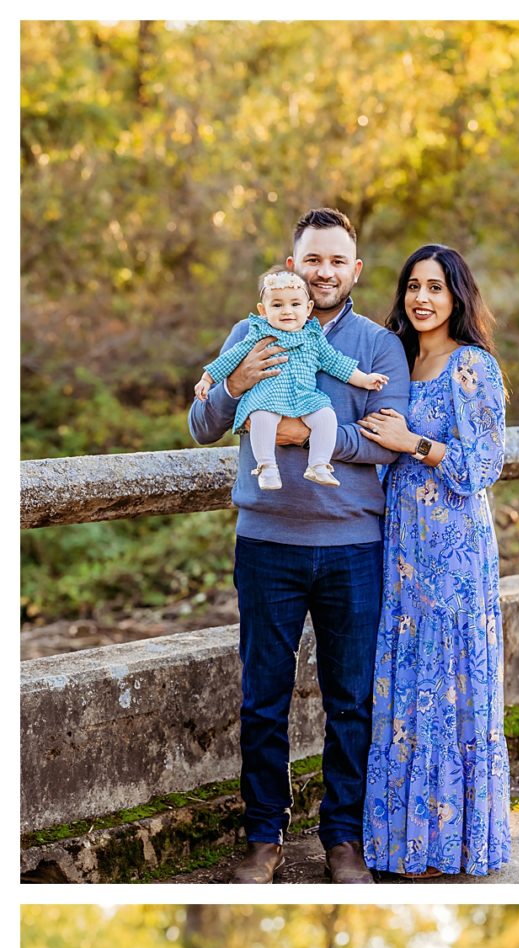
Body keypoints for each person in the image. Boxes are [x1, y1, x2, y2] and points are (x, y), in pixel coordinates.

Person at [188, 207, 411, 883]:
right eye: (311, 259)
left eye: (336, 260)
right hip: (267, 543)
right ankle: (264, 836)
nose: (323, 271)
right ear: (292, 266)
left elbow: (388, 438)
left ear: (355, 270)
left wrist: (308, 438)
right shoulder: (251, 332)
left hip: (353, 546)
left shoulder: (376, 347)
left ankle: (343, 838)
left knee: (350, 699)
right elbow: (202, 424)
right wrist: (236, 385)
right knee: (263, 695)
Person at [356, 245, 512, 877]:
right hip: (401, 555)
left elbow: (483, 466)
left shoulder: (471, 367)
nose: (422, 299)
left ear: (458, 299)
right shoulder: (397, 361)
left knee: (448, 685)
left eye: (437, 289)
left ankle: (453, 843)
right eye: (414, 287)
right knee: (404, 683)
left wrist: (412, 443)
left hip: (453, 555)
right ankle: (403, 846)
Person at [195, 268, 390, 490]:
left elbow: (336, 363)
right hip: (268, 396)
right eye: (277, 305)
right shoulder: (259, 334)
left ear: (308, 309)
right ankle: (266, 467)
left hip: (304, 397)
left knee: (326, 417)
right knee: (262, 418)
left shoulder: (313, 338)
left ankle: (318, 464)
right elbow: (231, 358)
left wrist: (365, 380)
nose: (287, 311)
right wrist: (207, 379)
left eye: (295, 304)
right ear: (263, 310)